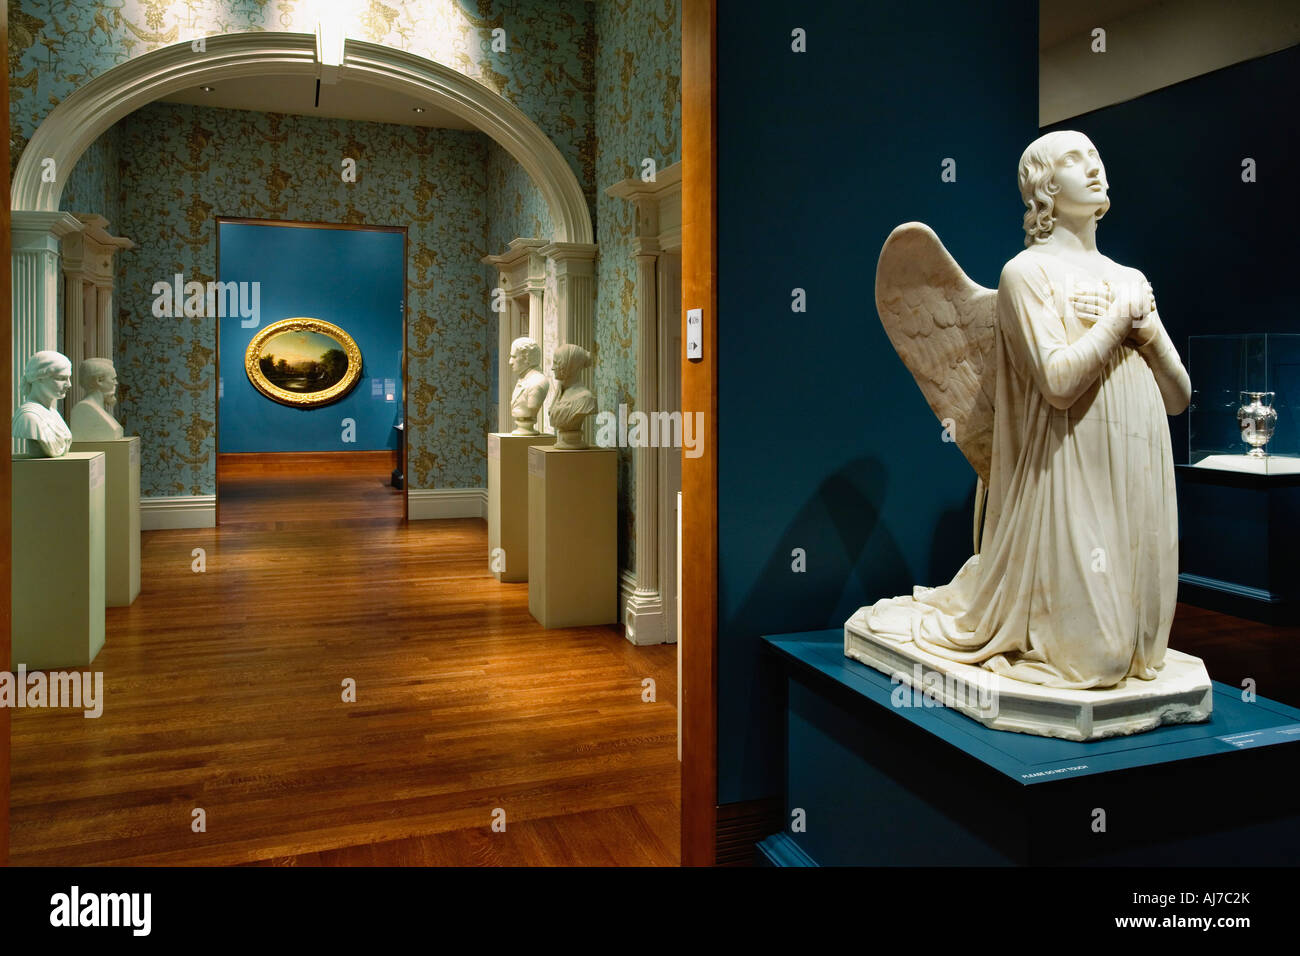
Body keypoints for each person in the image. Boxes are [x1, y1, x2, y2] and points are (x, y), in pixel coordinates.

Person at [865, 130, 1191, 689]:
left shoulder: (1129, 279)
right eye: (1072, 160)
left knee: (1145, 656)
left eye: (1094, 155)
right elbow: (1060, 383)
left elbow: (1179, 397)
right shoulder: (1026, 275)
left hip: (1134, 479)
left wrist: (1149, 326)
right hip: (1068, 481)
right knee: (1103, 662)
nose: (1091, 167)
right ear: (1043, 189)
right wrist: (1120, 321)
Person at [13, 350, 75, 458]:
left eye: (68, 378)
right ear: (39, 378)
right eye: (61, 378)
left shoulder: (53, 413)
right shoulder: (29, 416)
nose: (69, 384)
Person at [548, 344, 597, 449]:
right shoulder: (560, 392)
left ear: (569, 366)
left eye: (556, 363)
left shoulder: (585, 398)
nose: (552, 368)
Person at [508, 337, 549, 435]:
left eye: (514, 357)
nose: (510, 362)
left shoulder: (537, 382)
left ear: (526, 358)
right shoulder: (524, 379)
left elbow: (532, 406)